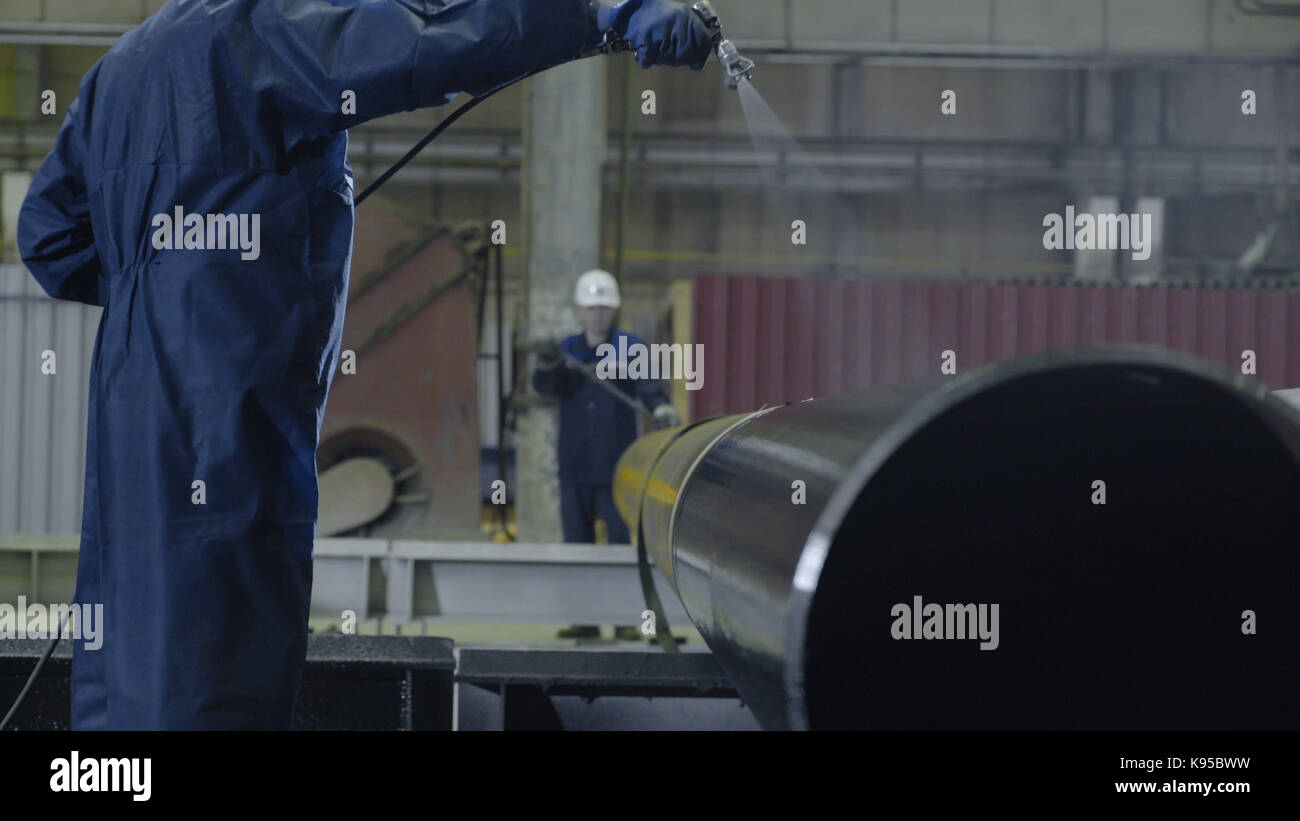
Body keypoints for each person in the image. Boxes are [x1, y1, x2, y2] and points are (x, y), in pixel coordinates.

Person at [17, 0, 712, 730]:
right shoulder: (263, 32)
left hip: (129, 439)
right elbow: (432, 38)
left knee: (127, 692)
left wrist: (162, 284)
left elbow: (49, 239)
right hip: (228, 434)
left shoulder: (117, 72)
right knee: (216, 676)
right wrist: (601, 12)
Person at [533, 270, 682, 549]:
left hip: (617, 468)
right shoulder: (567, 349)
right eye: (591, 308)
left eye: (604, 307)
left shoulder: (630, 347)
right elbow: (546, 388)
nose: (598, 314)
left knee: (620, 547)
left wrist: (661, 408)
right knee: (576, 548)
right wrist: (546, 364)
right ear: (580, 310)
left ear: (614, 309)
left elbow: (648, 385)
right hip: (573, 467)